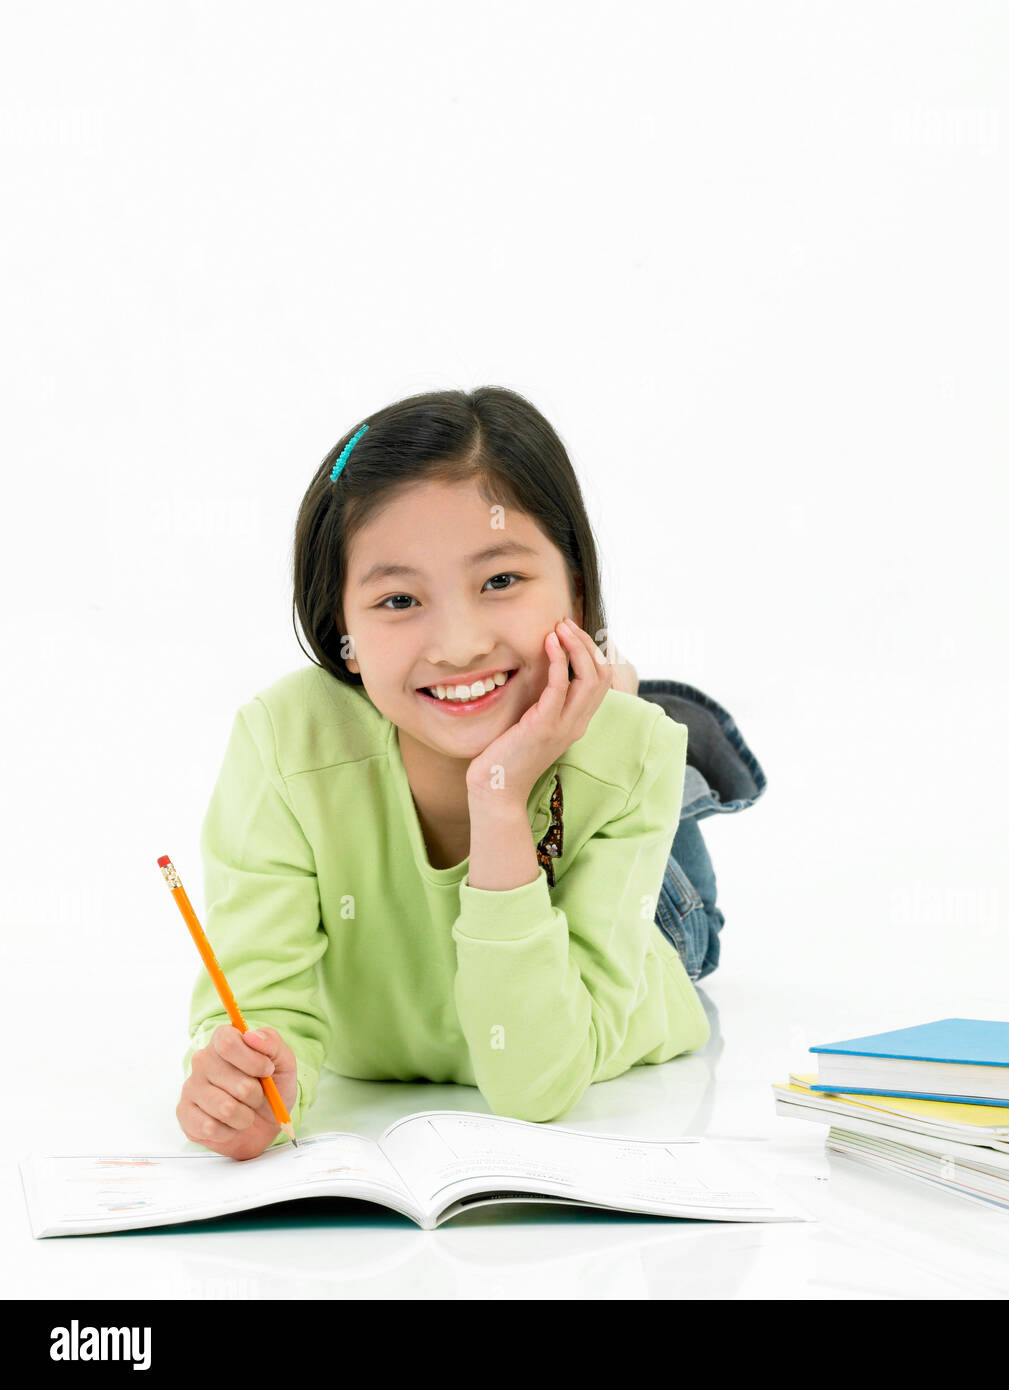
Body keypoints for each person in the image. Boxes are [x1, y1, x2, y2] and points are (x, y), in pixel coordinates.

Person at [177, 387, 766, 1160]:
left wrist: (499, 799)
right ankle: (602, 695)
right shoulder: (284, 744)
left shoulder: (624, 759)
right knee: (606, 746)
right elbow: (257, 1012)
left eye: (500, 582)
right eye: (397, 598)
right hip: (555, 764)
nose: (457, 645)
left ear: (578, 590)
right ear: (343, 636)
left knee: (649, 809)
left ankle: (646, 731)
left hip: (646, 935)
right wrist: (243, 1086)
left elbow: (533, 1083)